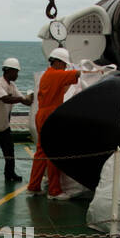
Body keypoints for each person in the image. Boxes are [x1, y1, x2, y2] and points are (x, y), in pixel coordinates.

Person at [28, 47, 80, 199]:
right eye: (64, 64)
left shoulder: (47, 75)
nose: (65, 68)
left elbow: (62, 89)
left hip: (41, 114)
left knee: (41, 152)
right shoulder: (57, 75)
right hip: (50, 115)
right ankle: (54, 190)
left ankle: (34, 186)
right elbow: (77, 75)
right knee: (53, 152)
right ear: (57, 62)